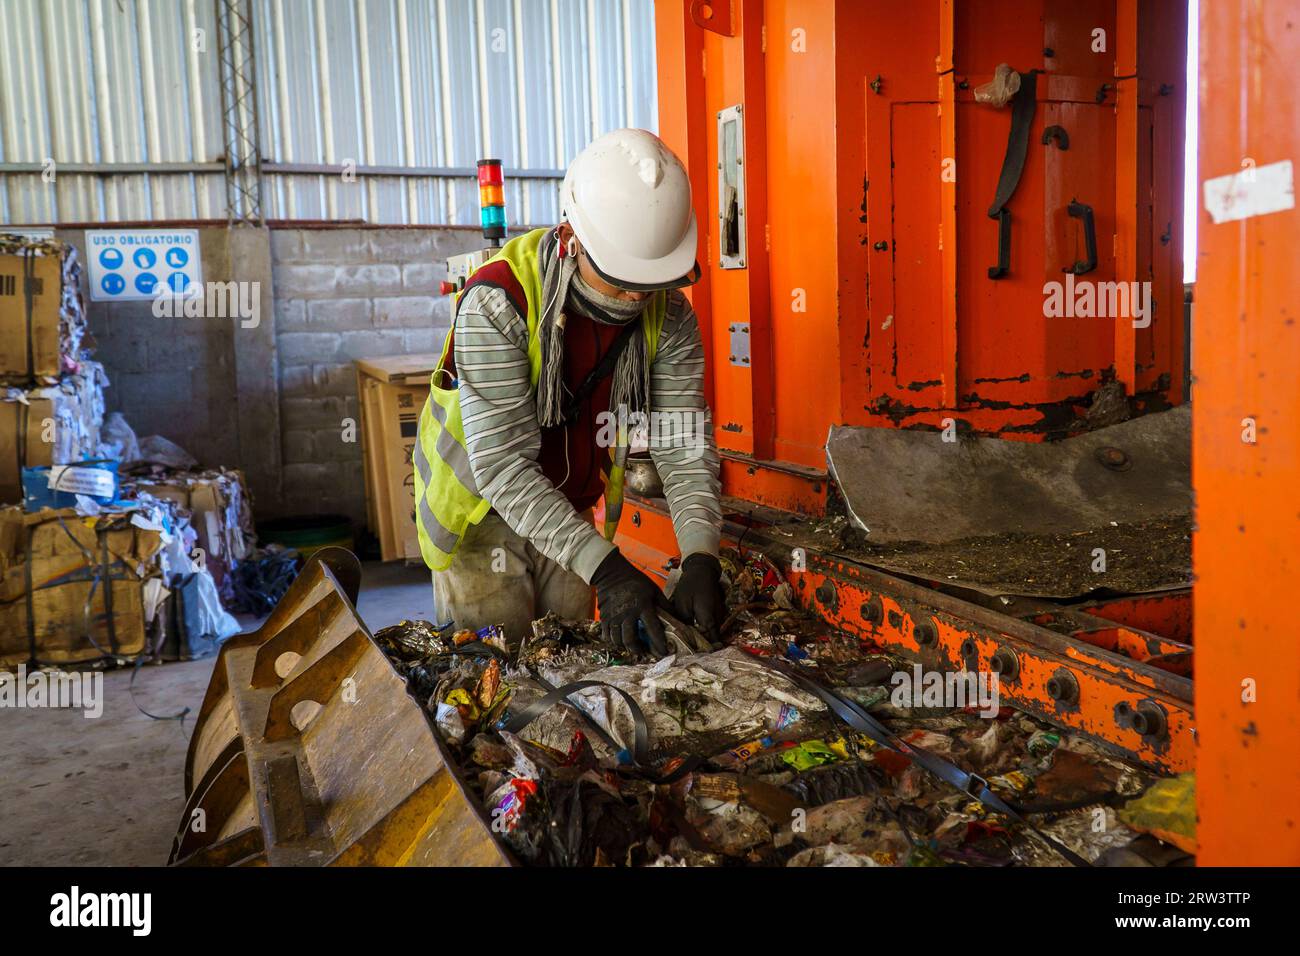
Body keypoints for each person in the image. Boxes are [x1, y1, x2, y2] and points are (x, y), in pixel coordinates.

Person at [412, 128, 724, 657]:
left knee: (574, 676)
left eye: (650, 281)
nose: (635, 295)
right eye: (621, 277)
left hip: (570, 509)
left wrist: (700, 557)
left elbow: (682, 443)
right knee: (502, 684)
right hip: (481, 519)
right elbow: (504, 467)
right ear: (573, 238)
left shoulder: (668, 314)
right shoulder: (498, 302)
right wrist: (608, 569)